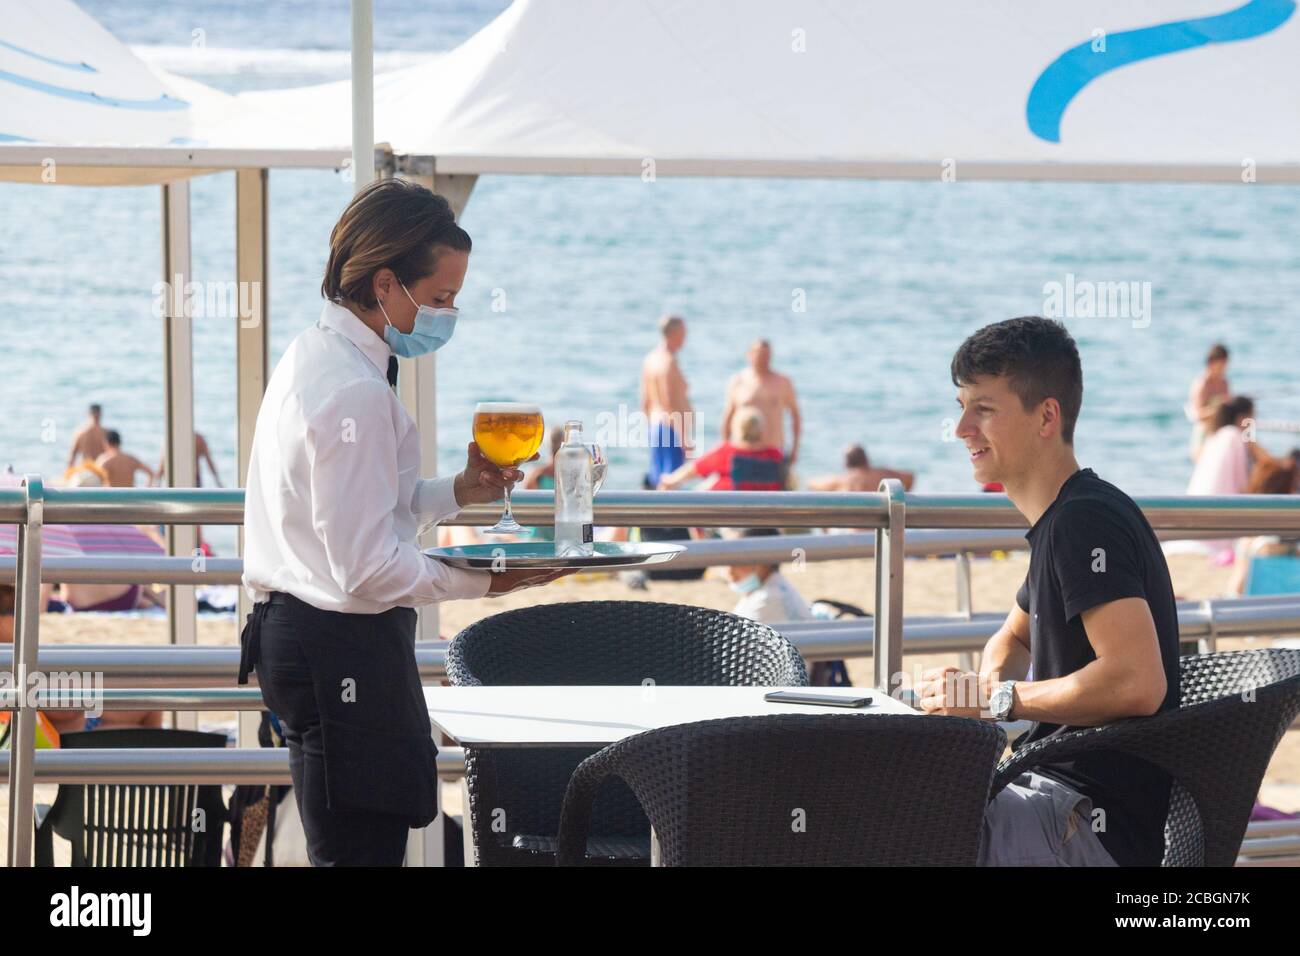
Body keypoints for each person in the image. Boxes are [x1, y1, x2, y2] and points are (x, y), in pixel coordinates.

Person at [239, 179, 567, 867]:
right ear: (386, 284)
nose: (449, 314)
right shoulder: (353, 390)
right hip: (337, 646)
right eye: (441, 297)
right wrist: (485, 583)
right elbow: (364, 566)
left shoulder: (315, 355)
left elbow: (361, 509)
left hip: (301, 636)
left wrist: (456, 491)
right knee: (362, 852)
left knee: (353, 845)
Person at [919, 316, 1180, 867]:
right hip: (1056, 805)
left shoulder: (1083, 522)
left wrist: (995, 700)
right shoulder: (1064, 520)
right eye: (961, 405)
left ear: (1046, 416)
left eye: (983, 409)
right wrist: (986, 692)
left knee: (880, 820)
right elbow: (1010, 636)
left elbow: (1137, 681)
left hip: (1084, 828)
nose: (962, 427)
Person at [721, 339, 801, 478]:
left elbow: (795, 415)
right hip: (743, 452)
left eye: (767, 355)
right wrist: (725, 448)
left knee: (776, 496)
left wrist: (794, 448)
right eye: (760, 354)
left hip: (774, 451)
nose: (764, 358)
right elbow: (728, 416)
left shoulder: (782, 382)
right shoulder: (738, 381)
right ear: (749, 355)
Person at [657, 405, 783, 491]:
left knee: (703, 489)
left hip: (734, 515)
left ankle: (697, 531)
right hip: (768, 515)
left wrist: (669, 480)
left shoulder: (728, 452)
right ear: (761, 431)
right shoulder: (775, 455)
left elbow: (693, 470)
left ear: (736, 428)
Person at [640, 314, 694, 487]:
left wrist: (648, 427)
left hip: (655, 426)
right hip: (670, 428)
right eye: (683, 333)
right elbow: (670, 403)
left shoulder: (650, 359)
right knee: (670, 482)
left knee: (658, 479)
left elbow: (645, 400)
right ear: (673, 333)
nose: (685, 338)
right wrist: (684, 438)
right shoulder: (668, 362)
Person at [1186, 343, 1230, 461]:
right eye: (1222, 365)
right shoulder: (1201, 384)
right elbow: (1198, 415)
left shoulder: (1224, 383)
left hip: (1219, 433)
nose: (1225, 368)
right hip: (1203, 435)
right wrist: (1220, 408)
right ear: (1212, 362)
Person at [807, 444, 915, 492]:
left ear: (846, 464)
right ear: (867, 460)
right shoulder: (883, 474)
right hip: (881, 530)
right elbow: (910, 477)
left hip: (853, 534)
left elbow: (812, 485)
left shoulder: (843, 480)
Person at [156, 431, 223, 488]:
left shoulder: (172, 441)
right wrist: (218, 483)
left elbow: (162, 467)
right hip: (194, 479)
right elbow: (210, 463)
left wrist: (157, 486)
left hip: (177, 480)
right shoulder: (198, 439)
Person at [66, 403, 108, 468]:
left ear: (88, 414)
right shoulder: (106, 433)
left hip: (85, 470)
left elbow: (72, 456)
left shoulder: (80, 432)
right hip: (101, 471)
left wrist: (67, 474)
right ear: (100, 414)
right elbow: (113, 455)